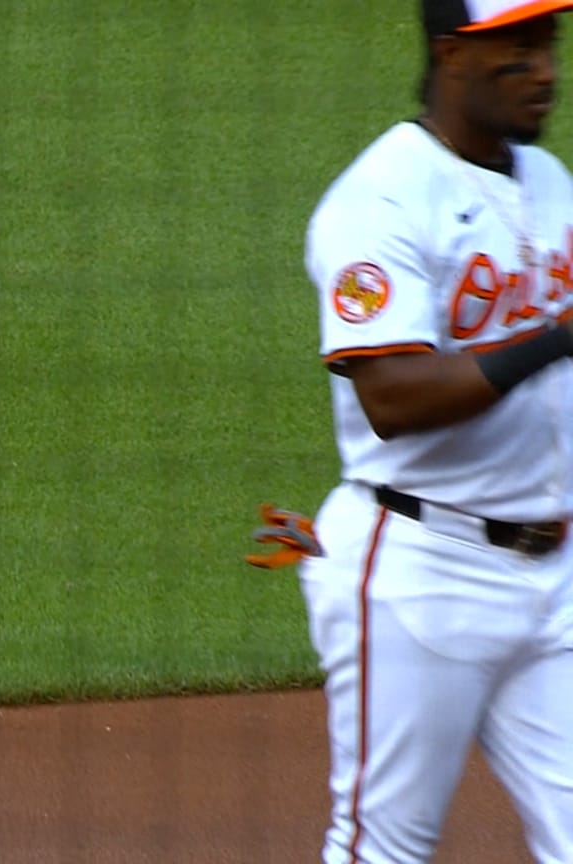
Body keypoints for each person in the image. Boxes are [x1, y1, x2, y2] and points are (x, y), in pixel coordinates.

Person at [292, 0, 573, 860]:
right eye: (517, 49)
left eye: (549, 45)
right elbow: (396, 396)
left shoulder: (552, 182)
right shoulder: (377, 199)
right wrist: (556, 338)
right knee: (386, 846)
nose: (546, 71)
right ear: (452, 54)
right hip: (420, 568)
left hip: (557, 573)